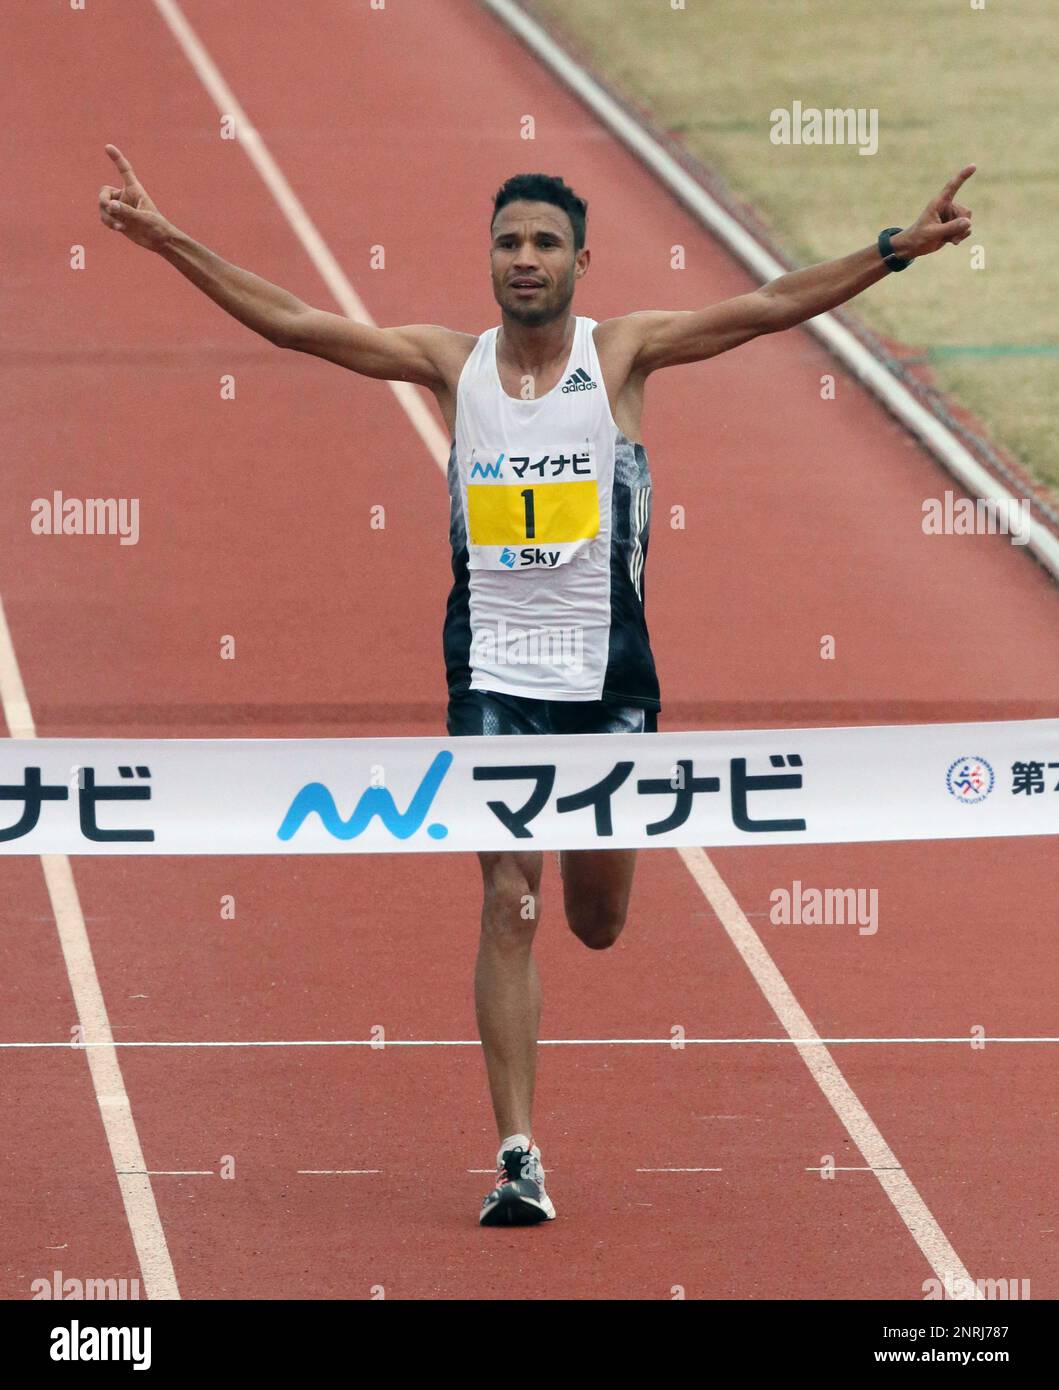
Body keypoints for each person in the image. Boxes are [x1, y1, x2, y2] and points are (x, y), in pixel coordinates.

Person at [98, 147, 974, 1225]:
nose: (524, 259)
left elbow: (771, 304)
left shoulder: (623, 357)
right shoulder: (447, 363)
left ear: (580, 262)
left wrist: (896, 250)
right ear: (490, 258)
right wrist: (167, 237)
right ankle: (517, 1152)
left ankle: (578, 938)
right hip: (492, 679)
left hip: (610, 681)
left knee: (597, 920)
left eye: (544, 244)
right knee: (508, 899)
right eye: (508, 242)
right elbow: (294, 323)